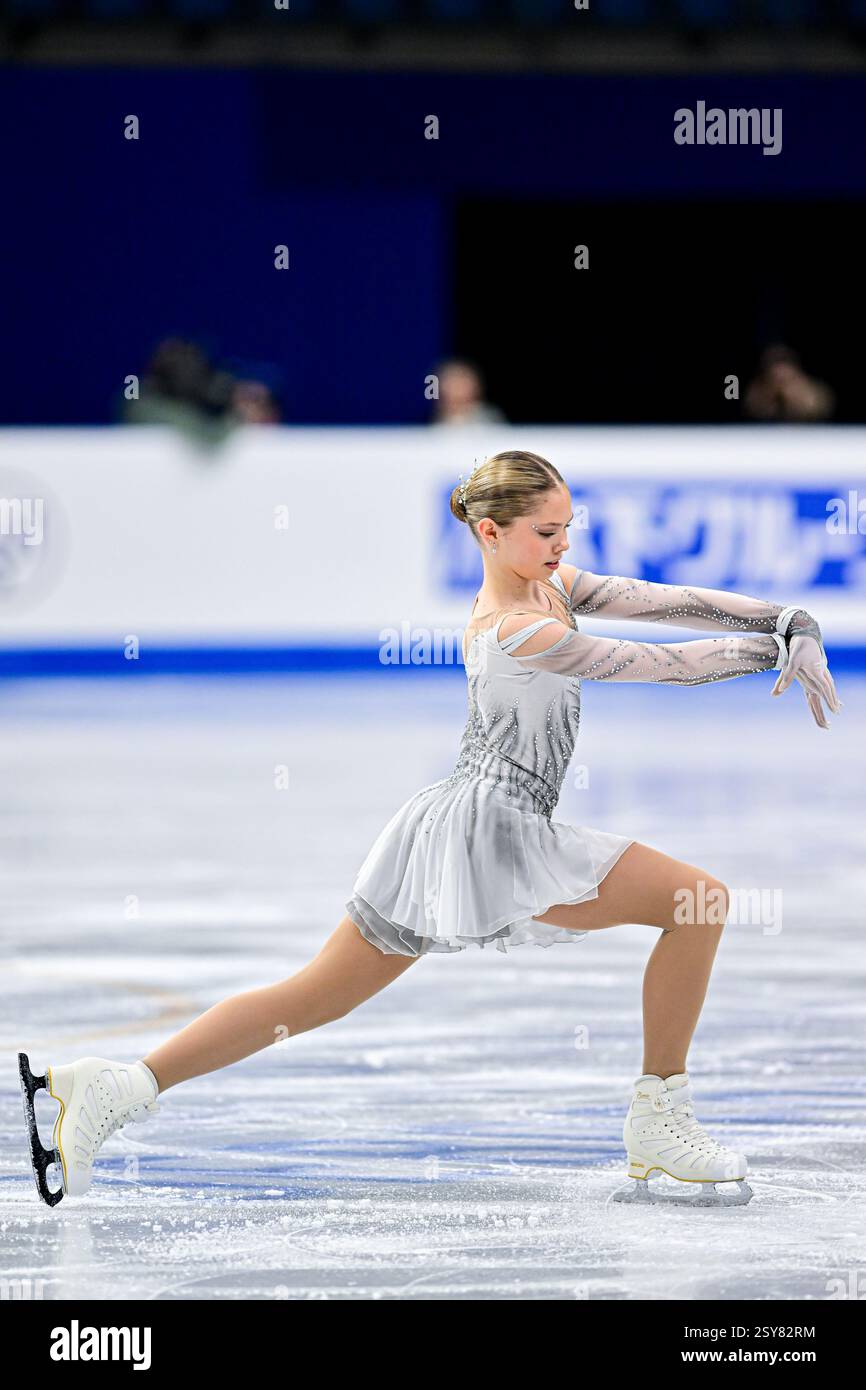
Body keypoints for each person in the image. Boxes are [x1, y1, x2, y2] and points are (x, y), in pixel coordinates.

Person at [18, 451, 841, 1209]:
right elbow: (656, 663)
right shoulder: (517, 628)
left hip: (463, 828)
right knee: (698, 901)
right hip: (487, 837)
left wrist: (788, 619)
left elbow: (668, 602)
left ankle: (113, 1087)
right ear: (491, 533)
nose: (561, 545)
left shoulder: (553, 587)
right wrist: (768, 653)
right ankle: (658, 1118)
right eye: (545, 532)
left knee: (311, 998)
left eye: (566, 529)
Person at [429, 358, 508, 427]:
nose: (455, 389)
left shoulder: (490, 417)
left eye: (461, 383)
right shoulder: (438, 419)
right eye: (450, 383)